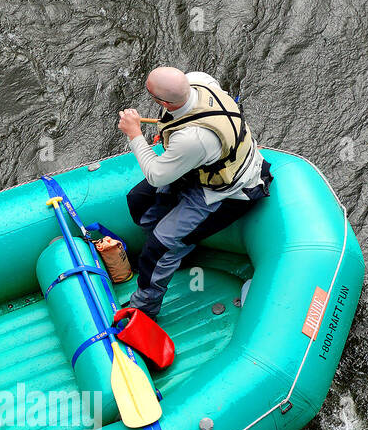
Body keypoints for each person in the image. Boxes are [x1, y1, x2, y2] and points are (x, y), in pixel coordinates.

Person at [116, 66, 271, 319]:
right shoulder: (199, 81)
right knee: (139, 200)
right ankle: (176, 252)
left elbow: (155, 174)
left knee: (158, 247)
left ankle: (144, 307)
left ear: (163, 100)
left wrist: (134, 134)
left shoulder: (193, 139)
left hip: (224, 191)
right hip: (201, 168)